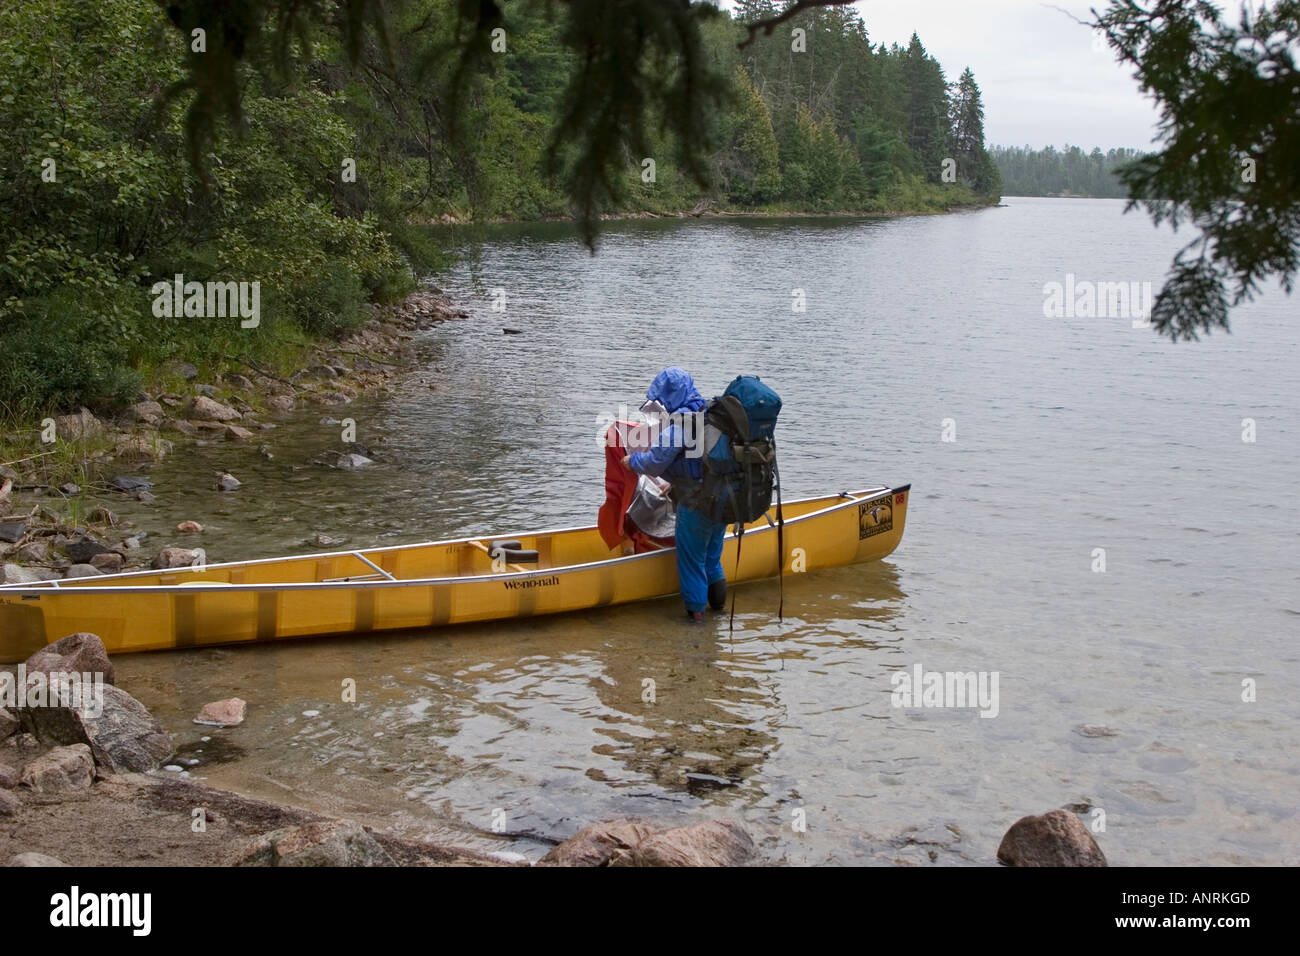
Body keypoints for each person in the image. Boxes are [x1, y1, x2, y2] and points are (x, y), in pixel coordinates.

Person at [622, 367, 727, 622]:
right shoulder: (711, 412)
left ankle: (696, 621)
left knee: (691, 560)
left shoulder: (681, 421)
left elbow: (655, 462)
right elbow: (702, 461)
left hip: (697, 503)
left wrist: (631, 461)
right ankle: (719, 615)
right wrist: (675, 484)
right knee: (712, 558)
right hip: (724, 498)